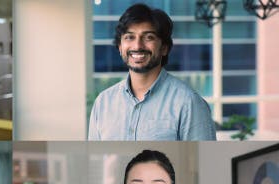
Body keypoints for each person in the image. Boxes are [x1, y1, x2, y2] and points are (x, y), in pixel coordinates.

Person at [87, 3, 216, 141]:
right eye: (129, 37)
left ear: (164, 48)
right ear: (120, 47)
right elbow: (95, 160)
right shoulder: (103, 102)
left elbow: (205, 162)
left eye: (148, 37)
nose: (137, 46)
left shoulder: (189, 103)